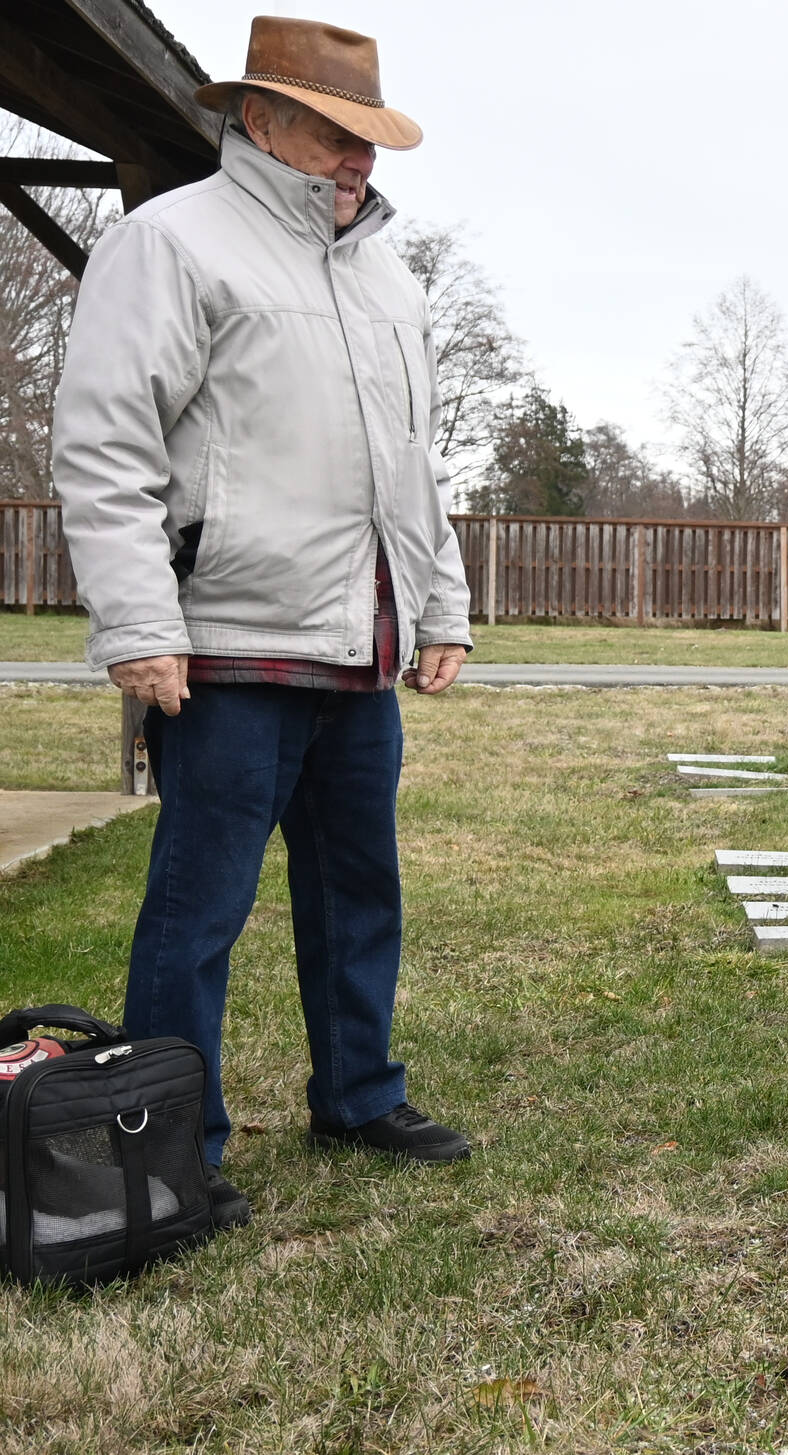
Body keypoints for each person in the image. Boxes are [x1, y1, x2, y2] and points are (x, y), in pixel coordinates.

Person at [52, 17, 476, 1227]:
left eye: (369, 138)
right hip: (226, 647)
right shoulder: (170, 243)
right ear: (259, 120)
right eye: (335, 133)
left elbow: (412, 464)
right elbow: (106, 445)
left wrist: (439, 604)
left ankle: (359, 1095)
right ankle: (169, 1153)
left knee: (360, 892)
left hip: (358, 649)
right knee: (198, 912)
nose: (358, 158)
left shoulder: (390, 278)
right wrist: (139, 624)